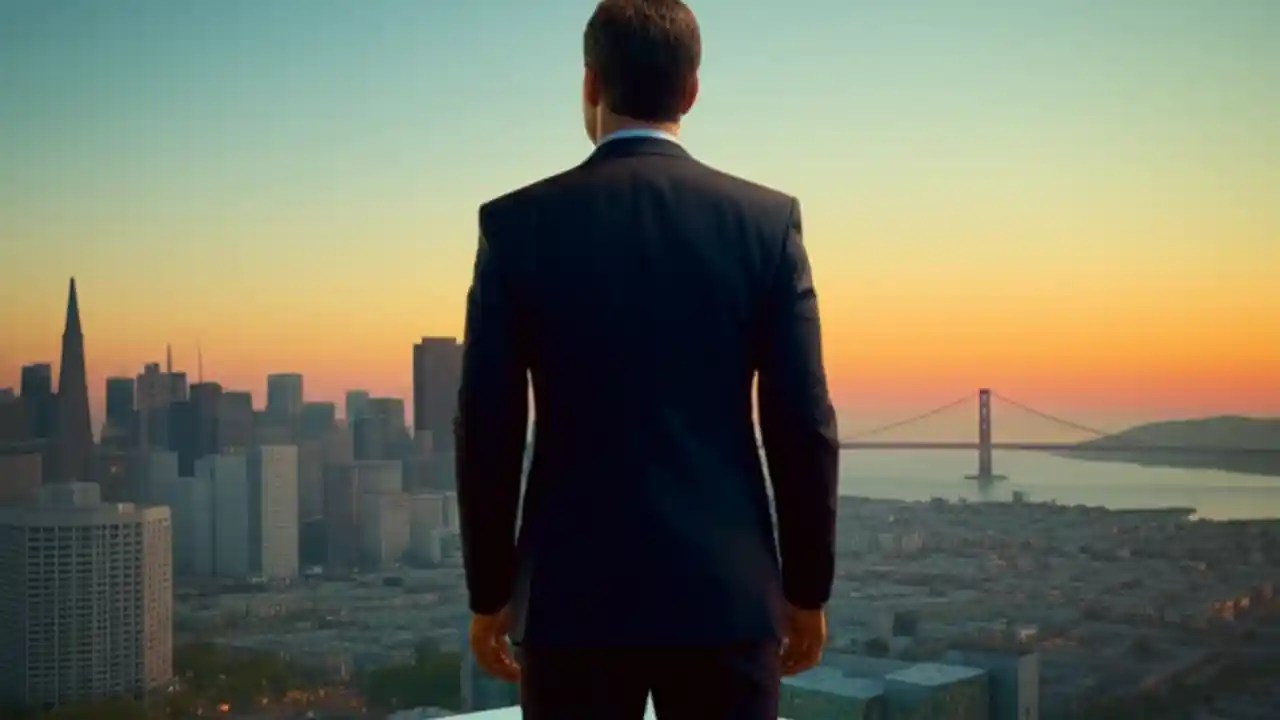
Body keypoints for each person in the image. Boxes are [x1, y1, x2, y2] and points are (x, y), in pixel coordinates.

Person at [455, 1, 839, 717]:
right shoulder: (765, 222)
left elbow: (487, 427)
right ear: (691, 91)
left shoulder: (515, 225)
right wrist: (807, 589)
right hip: (726, 600)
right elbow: (803, 422)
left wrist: (489, 593)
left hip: (572, 602)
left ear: (590, 83)